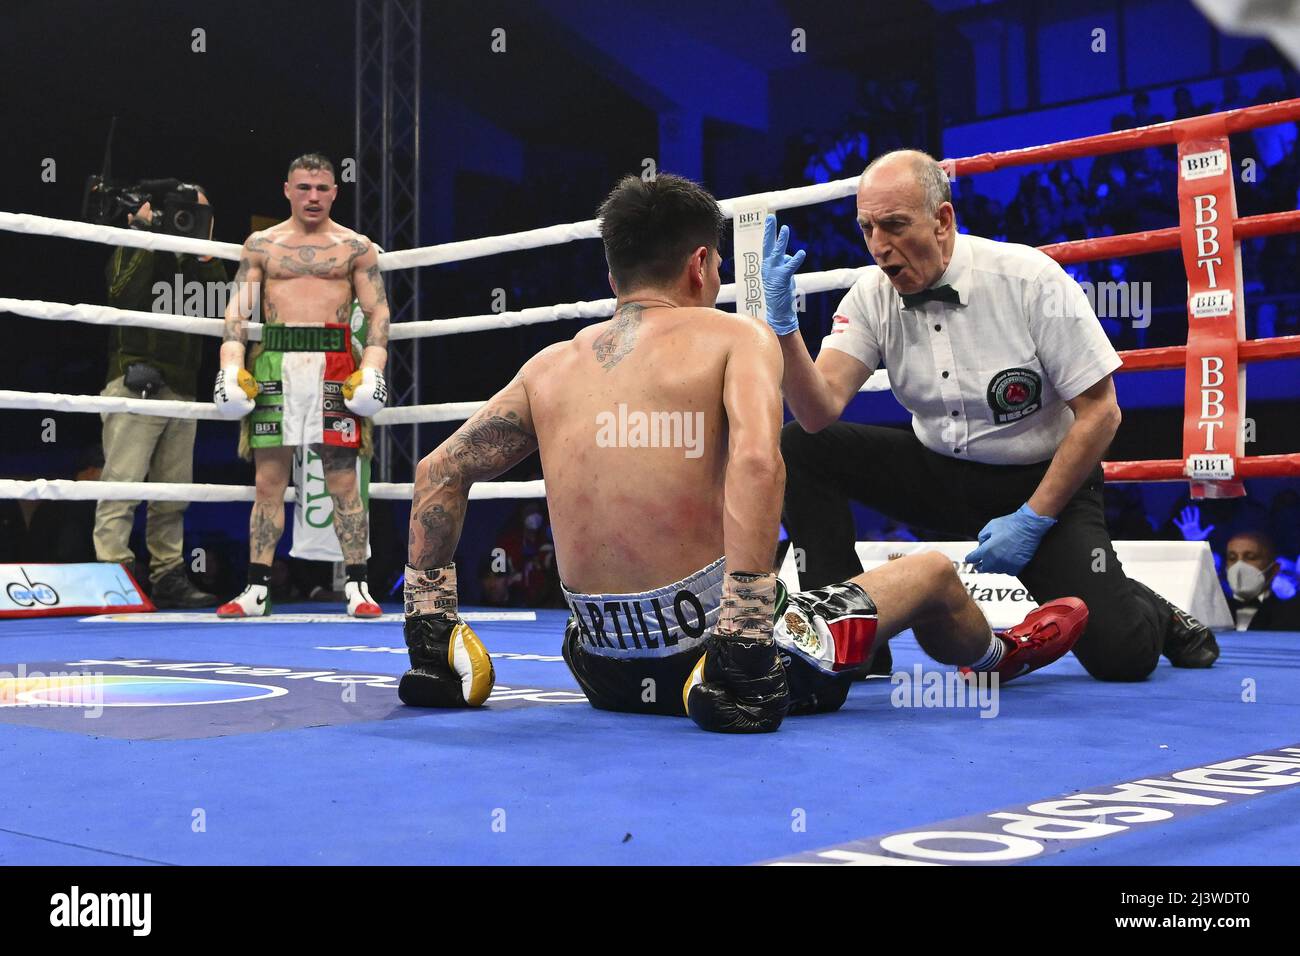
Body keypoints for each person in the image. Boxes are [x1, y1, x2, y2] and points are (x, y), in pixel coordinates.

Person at [395, 173, 1088, 734]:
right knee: (933, 572)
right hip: (714, 664)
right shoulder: (734, 337)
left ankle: (432, 653)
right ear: (701, 264)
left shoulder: (549, 365)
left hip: (601, 669)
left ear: (614, 277)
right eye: (719, 262)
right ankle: (1002, 654)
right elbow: (761, 462)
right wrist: (747, 637)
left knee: (809, 594)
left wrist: (434, 636)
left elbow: (438, 472)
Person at [772, 149, 1219, 684]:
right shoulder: (871, 295)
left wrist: (1033, 518)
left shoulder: (1030, 280)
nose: (879, 247)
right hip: (935, 471)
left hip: (1040, 481)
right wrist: (785, 331)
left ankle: (1153, 609)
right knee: (801, 445)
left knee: (1122, 658)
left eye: (894, 225)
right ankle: (850, 632)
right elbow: (819, 412)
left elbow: (1101, 413)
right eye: (867, 228)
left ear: (943, 220)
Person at [213, 153, 389, 618]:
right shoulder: (262, 245)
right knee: (268, 481)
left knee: (343, 477)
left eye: (323, 188)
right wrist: (230, 368)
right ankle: (255, 590)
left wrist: (372, 368)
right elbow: (237, 315)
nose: (313, 196)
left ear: (336, 191)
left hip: (335, 361)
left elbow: (377, 315)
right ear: (287, 189)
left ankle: (358, 586)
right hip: (273, 359)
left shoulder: (355, 247)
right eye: (304, 187)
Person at [92, 190, 222, 608]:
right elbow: (122, 293)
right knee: (122, 486)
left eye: (197, 213)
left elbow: (219, 309)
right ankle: (112, 574)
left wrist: (205, 251)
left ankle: (167, 574)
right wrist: (144, 233)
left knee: (173, 494)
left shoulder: (194, 258)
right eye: (185, 212)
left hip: (182, 390)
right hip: (134, 384)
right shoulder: (135, 242)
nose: (187, 219)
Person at [1223, 530, 1300, 631]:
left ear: (1274, 569)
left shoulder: (1292, 614)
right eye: (1232, 558)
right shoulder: (1211, 613)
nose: (1239, 566)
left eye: (1251, 557)